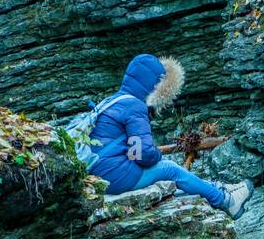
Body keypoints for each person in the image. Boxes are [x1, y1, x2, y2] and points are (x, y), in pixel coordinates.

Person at [87, 54, 254, 218]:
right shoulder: (135, 106)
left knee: (164, 167)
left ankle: (218, 189)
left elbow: (131, 150)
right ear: (154, 84)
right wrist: (156, 154)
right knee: (170, 168)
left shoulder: (113, 101)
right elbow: (141, 154)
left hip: (99, 173)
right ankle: (226, 200)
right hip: (113, 177)